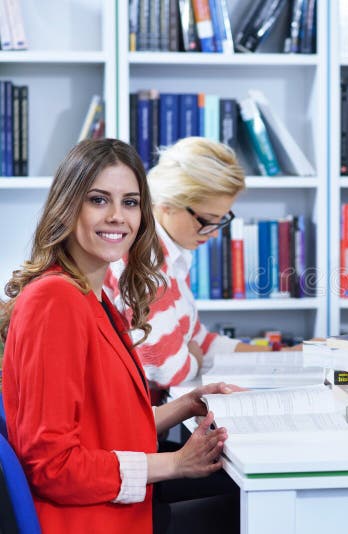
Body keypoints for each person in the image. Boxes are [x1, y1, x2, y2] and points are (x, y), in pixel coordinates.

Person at [0, 139, 237, 533]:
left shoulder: (92, 297)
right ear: (67, 206)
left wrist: (185, 405)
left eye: (130, 202)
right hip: (93, 519)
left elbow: (106, 430)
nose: (117, 216)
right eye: (98, 200)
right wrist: (177, 464)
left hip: (118, 509)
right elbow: (53, 466)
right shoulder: (55, 300)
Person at [104, 137, 265, 395]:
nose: (214, 234)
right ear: (168, 203)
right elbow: (163, 365)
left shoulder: (171, 255)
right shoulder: (144, 259)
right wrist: (195, 359)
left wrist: (271, 354)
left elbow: (198, 340)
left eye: (222, 220)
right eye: (208, 220)